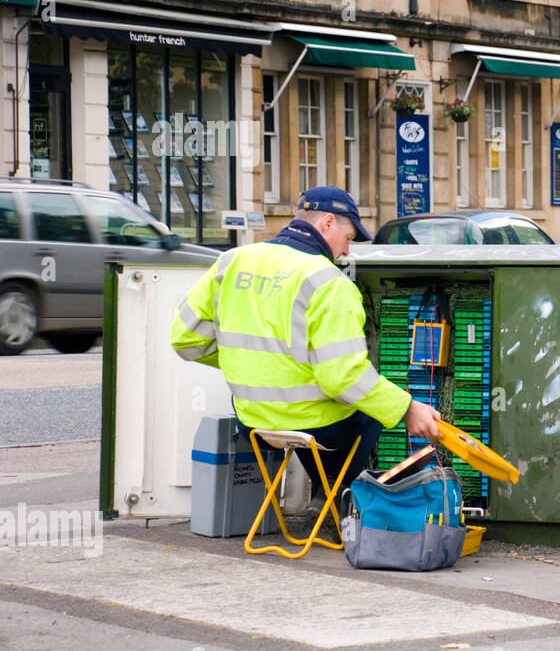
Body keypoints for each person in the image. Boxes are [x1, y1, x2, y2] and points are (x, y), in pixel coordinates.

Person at [170, 186, 441, 534]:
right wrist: (407, 409)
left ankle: (324, 492)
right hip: (313, 424)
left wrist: (257, 363)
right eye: (348, 237)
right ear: (328, 223)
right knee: (372, 408)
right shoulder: (328, 281)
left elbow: (185, 338)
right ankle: (344, 495)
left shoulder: (232, 261)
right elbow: (343, 377)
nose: (346, 250)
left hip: (252, 420)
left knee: (336, 411)